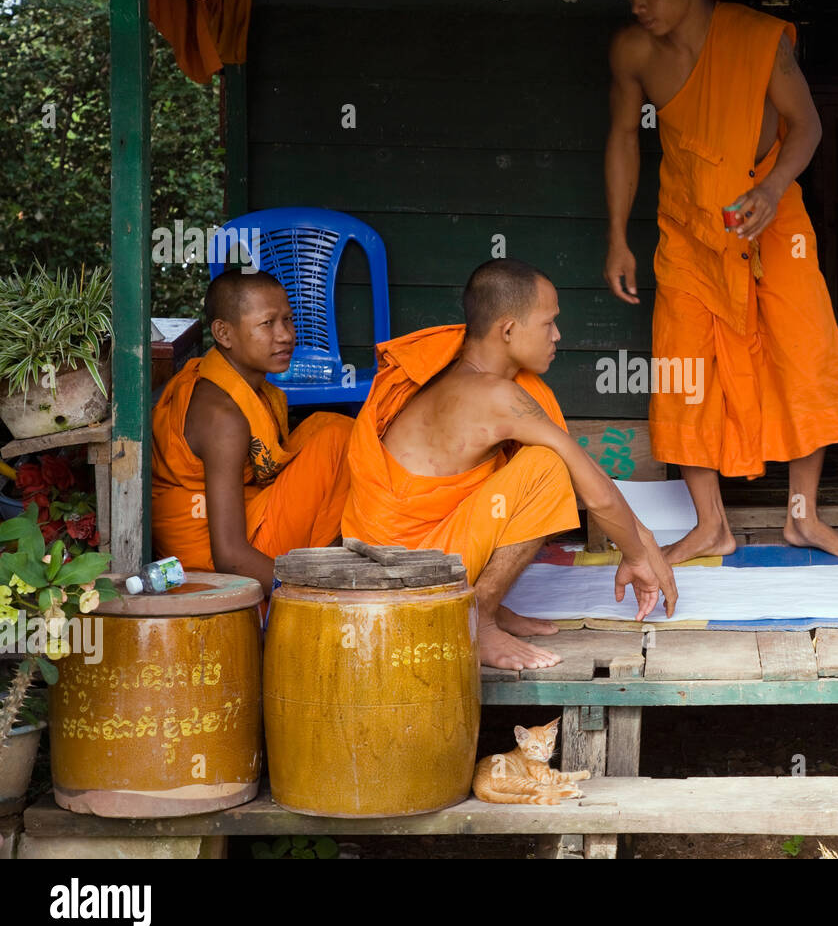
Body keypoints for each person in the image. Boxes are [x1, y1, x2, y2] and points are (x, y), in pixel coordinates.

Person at [604, 0, 838, 564]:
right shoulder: (633, 52)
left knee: (804, 359)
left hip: (771, 222)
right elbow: (622, 142)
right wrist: (617, 235)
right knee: (684, 371)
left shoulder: (755, 39)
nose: (636, 7)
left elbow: (805, 127)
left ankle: (802, 518)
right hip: (689, 234)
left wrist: (775, 187)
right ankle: (710, 524)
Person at [342, 259, 679, 672]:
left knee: (543, 461)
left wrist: (641, 541)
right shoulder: (495, 396)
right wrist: (638, 554)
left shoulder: (460, 373)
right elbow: (588, 483)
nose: (558, 335)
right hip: (405, 569)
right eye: (548, 323)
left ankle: (490, 607)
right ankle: (477, 620)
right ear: (507, 330)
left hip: (404, 552)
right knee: (547, 468)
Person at [151, 271, 354, 596]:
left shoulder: (237, 384)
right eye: (268, 324)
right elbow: (229, 557)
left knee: (329, 429)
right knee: (338, 439)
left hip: (241, 532)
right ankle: (315, 590)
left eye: (288, 320)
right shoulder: (222, 417)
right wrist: (306, 595)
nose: (286, 335)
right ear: (224, 333)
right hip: (212, 575)